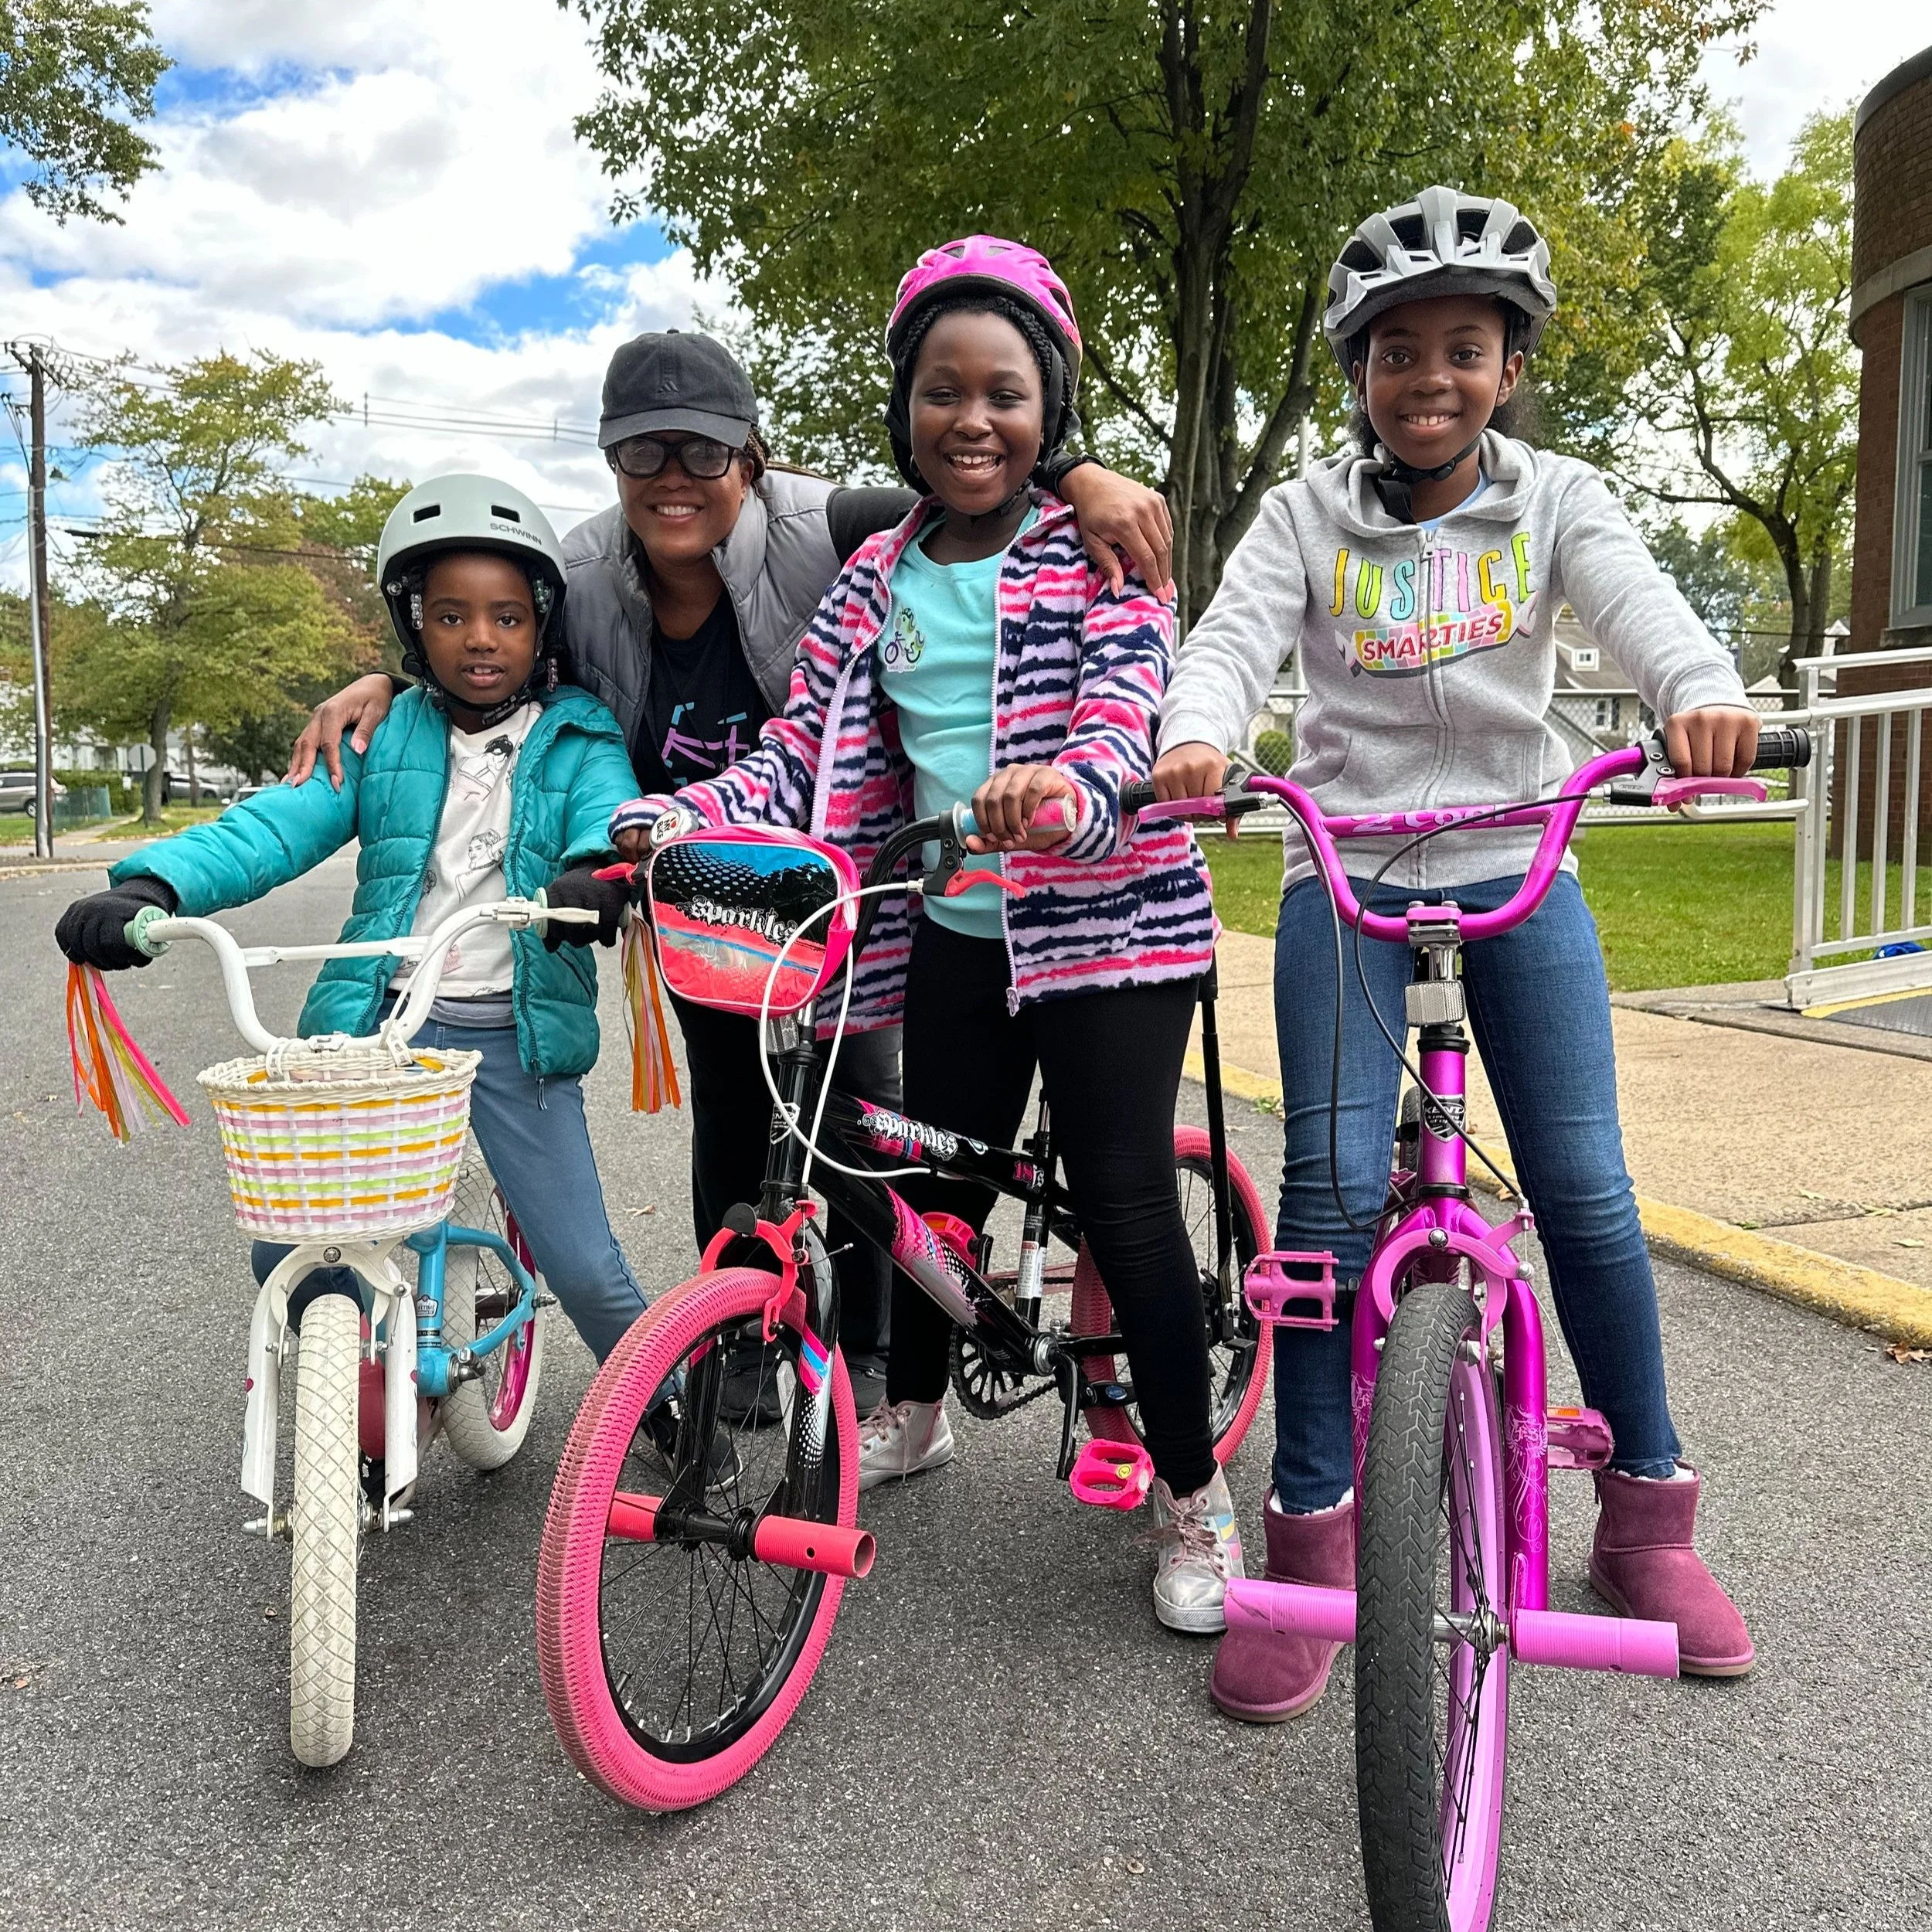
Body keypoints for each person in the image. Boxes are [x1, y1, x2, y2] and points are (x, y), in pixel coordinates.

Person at [287, 331, 1175, 1423]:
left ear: (750, 456)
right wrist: (389, 674)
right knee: (732, 1095)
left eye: (702, 452)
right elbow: (481, 635)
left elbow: (959, 467)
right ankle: (747, 1328)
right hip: (696, 861)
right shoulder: (577, 575)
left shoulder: (826, 528)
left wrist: (1080, 474)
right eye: (643, 453)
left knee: (857, 1105)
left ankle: (872, 1352)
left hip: (857, 867)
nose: (674, 478)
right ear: (612, 463)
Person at [1153, 186, 1761, 1715]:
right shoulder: (1300, 516)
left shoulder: (1555, 498)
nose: (1429, 378)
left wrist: (1696, 689)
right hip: (1346, 874)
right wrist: (1195, 731)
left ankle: (1645, 1506)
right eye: (1396, 351)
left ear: (1506, 364)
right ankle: (1309, 1534)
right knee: (1326, 1187)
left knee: (1582, 1182)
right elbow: (1227, 643)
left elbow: (1639, 610)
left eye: (1464, 349)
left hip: (1518, 858)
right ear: (1357, 372)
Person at [610, 236, 1247, 1633]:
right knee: (925, 1195)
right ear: (904, 405)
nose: (974, 420)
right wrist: (674, 819)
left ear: (1050, 412)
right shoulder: (876, 578)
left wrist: (1068, 787)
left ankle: (1196, 1497)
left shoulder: (1098, 551)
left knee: (1128, 1202)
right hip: (946, 924)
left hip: (1105, 929)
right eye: (943, 390)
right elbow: (799, 749)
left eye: (1007, 394)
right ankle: (914, 1411)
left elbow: (1128, 704)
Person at [55, 476, 657, 1386]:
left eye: (506, 616)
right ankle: (353, 1386)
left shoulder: (580, 733)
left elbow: (607, 814)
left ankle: (663, 1406)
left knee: (583, 1263)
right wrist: (153, 882)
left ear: (541, 624)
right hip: (377, 1027)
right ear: (414, 627)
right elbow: (274, 826)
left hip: (513, 1031)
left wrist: (592, 872)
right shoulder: (385, 733)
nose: (481, 637)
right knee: (294, 1246)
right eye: (450, 616)